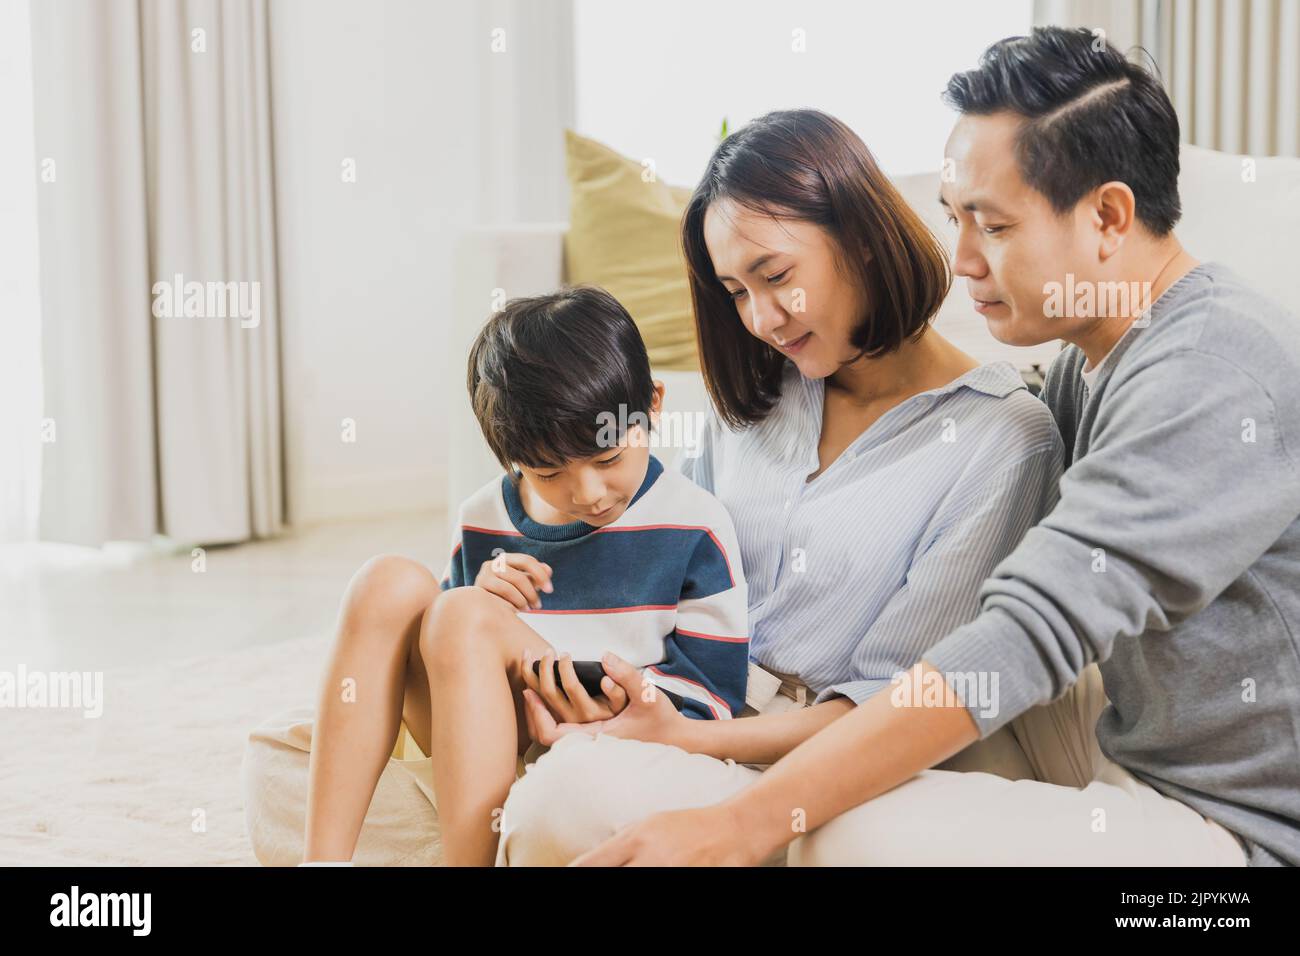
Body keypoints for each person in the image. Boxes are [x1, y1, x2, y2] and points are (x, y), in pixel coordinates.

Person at [518, 26, 1300, 867]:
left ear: (1108, 215)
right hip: (1113, 751)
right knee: (606, 797)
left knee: (850, 839)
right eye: (953, 220)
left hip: (1236, 839)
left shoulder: (1212, 367)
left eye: (992, 226)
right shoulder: (1089, 361)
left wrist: (740, 825)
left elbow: (1031, 631)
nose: (962, 260)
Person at [493, 107, 1069, 866]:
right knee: (405, 639)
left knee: (555, 801)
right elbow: (650, 549)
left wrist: (685, 737)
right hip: (668, 697)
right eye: (734, 290)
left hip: (803, 760)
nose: (761, 319)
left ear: (861, 238)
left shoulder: (1005, 437)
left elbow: (895, 704)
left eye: (776, 277)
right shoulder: (764, 394)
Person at [300, 285, 748, 866]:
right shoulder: (483, 516)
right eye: (548, 471)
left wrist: (621, 703)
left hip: (611, 739)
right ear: (512, 459)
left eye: (608, 459)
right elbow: (439, 649)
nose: (588, 492)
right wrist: (477, 603)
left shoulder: (695, 524)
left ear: (653, 405)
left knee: (463, 614)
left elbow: (715, 699)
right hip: (482, 732)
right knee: (386, 582)